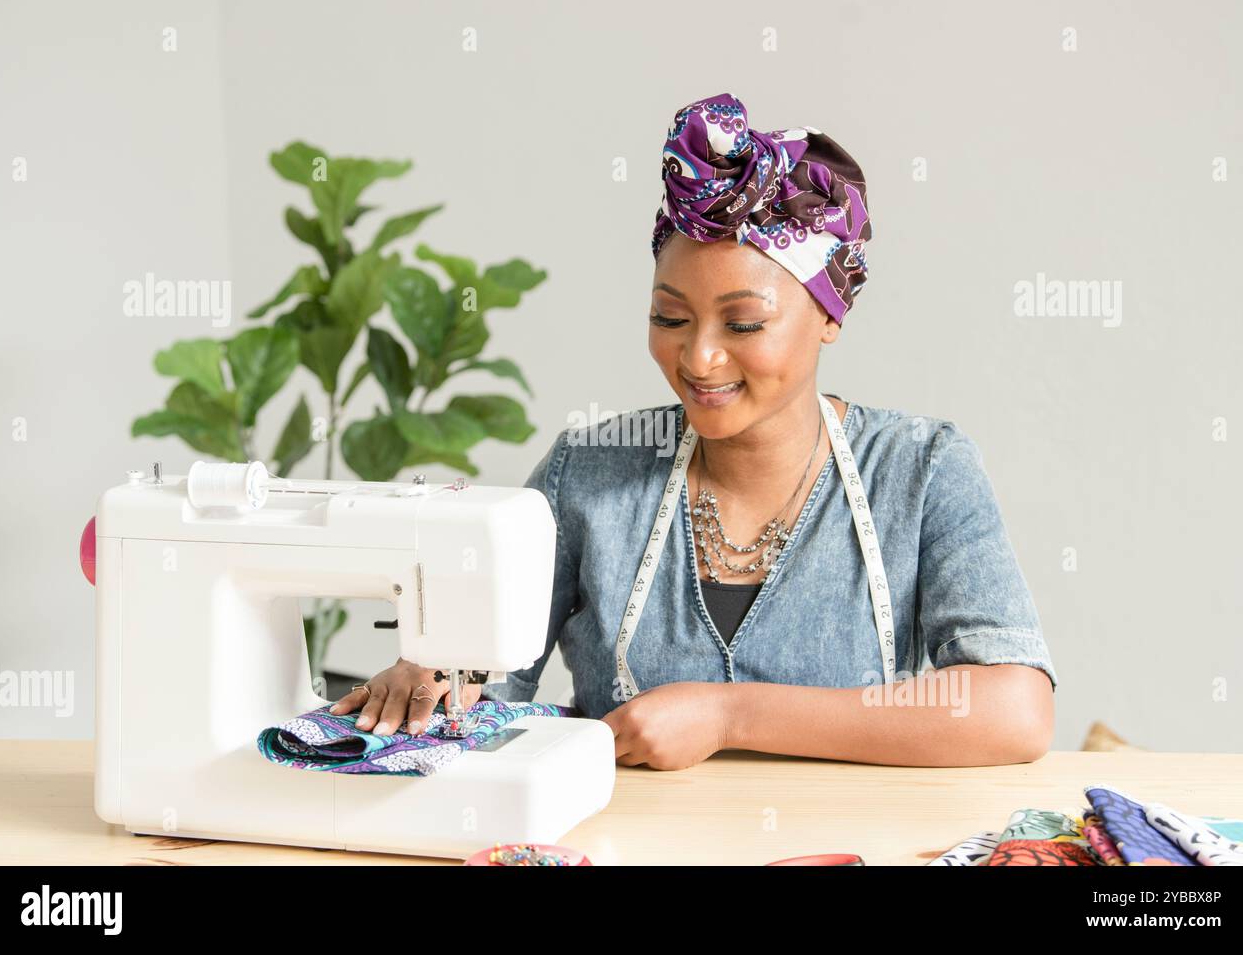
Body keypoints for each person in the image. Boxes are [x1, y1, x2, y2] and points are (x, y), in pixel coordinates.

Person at [330, 91, 1057, 771]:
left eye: (743, 323)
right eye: (669, 318)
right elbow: (487, 687)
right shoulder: (588, 470)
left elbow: (1015, 709)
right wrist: (440, 673)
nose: (699, 357)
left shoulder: (921, 471)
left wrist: (730, 714)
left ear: (831, 314)